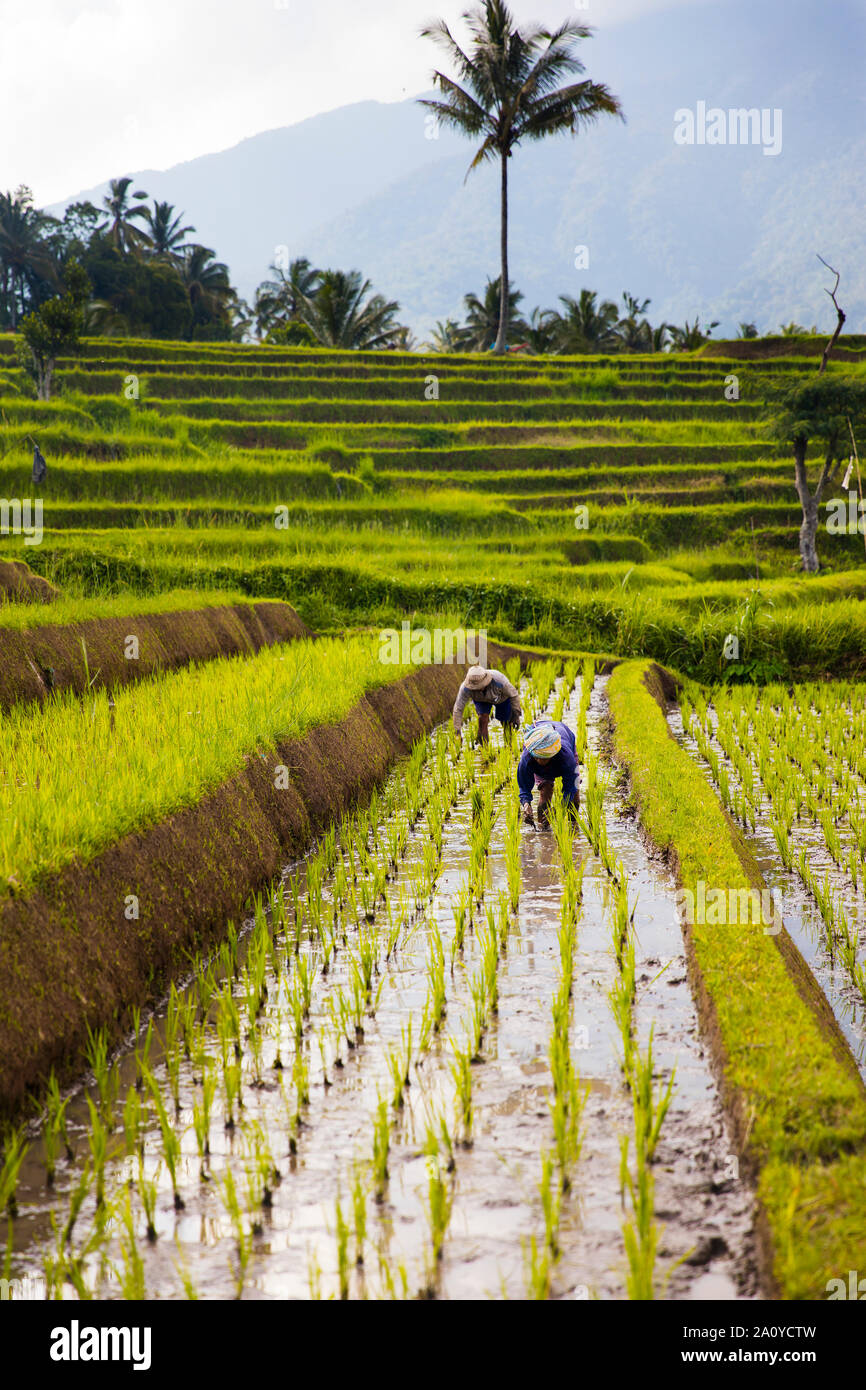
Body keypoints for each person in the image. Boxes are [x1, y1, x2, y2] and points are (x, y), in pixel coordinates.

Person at [517, 721, 580, 826]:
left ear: (553, 754)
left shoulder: (566, 757)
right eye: (538, 758)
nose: (541, 762)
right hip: (538, 736)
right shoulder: (527, 757)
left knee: (574, 797)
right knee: (545, 791)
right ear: (533, 754)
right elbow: (524, 787)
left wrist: (559, 808)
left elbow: (571, 786)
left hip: (565, 738)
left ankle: (573, 827)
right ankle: (543, 831)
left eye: (545, 758)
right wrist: (526, 804)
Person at [452, 665, 522, 744]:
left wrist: (516, 715)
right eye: (475, 687)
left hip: (501, 698)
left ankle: (509, 746)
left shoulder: (499, 680)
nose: (478, 688)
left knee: (506, 723)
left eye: (479, 686)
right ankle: (484, 748)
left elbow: (514, 695)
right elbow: (458, 708)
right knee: (483, 719)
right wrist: (457, 732)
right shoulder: (465, 688)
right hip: (480, 699)